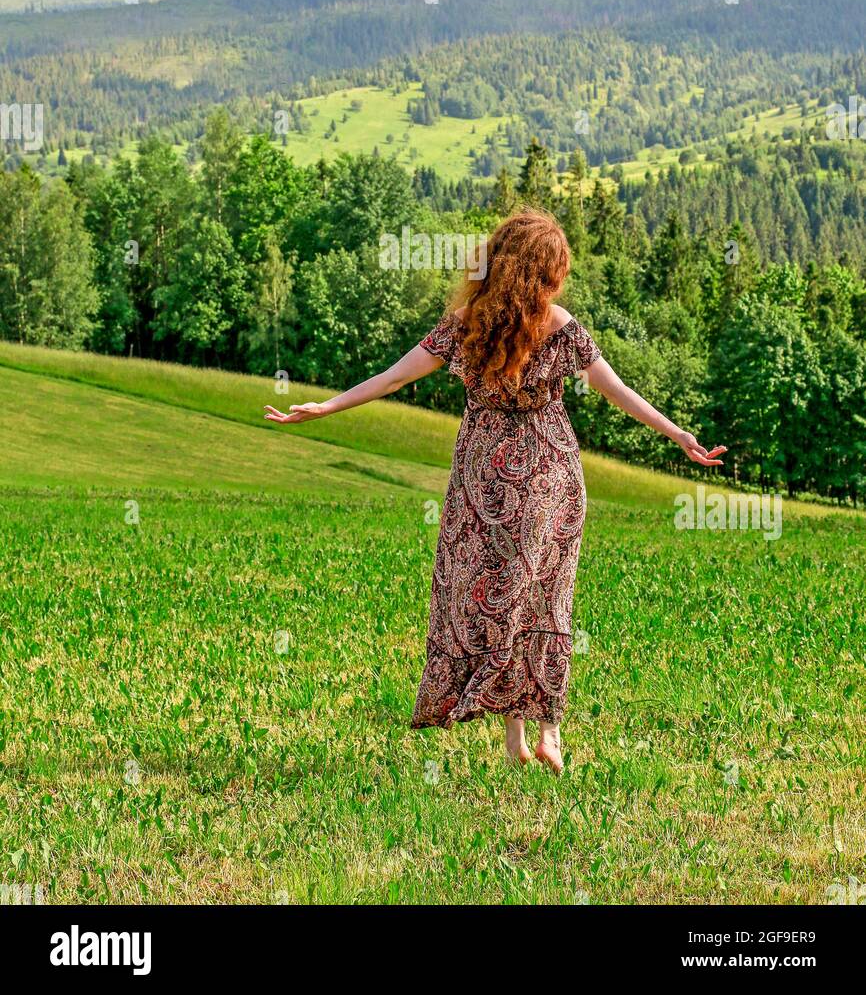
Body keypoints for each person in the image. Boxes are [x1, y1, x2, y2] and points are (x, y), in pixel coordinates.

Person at [265, 209, 725, 774]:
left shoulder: (467, 322)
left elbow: (394, 378)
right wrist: (677, 434)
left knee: (498, 595)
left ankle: (517, 736)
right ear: (547, 272)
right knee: (543, 598)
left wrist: (327, 407)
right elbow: (616, 390)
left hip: (484, 475)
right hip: (550, 473)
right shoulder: (561, 326)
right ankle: (547, 730)